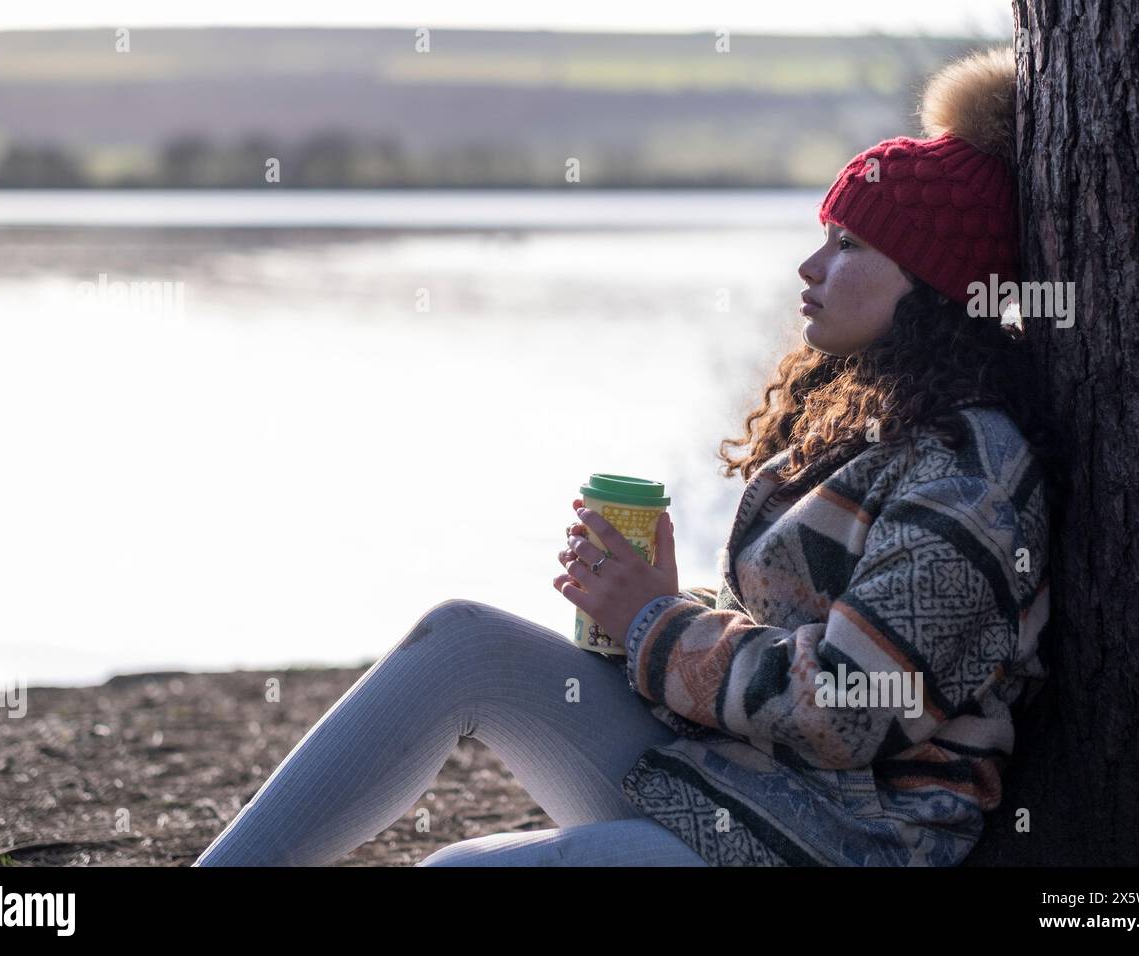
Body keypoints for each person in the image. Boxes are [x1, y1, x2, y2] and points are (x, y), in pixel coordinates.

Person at [193, 45, 1060, 867]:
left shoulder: (967, 475)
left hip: (841, 839)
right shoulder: (872, 424)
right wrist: (648, 606)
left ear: (937, 284)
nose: (809, 266)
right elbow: (792, 638)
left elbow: (850, 710)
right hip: (744, 787)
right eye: (825, 235)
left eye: (849, 246)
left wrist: (655, 623)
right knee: (462, 640)